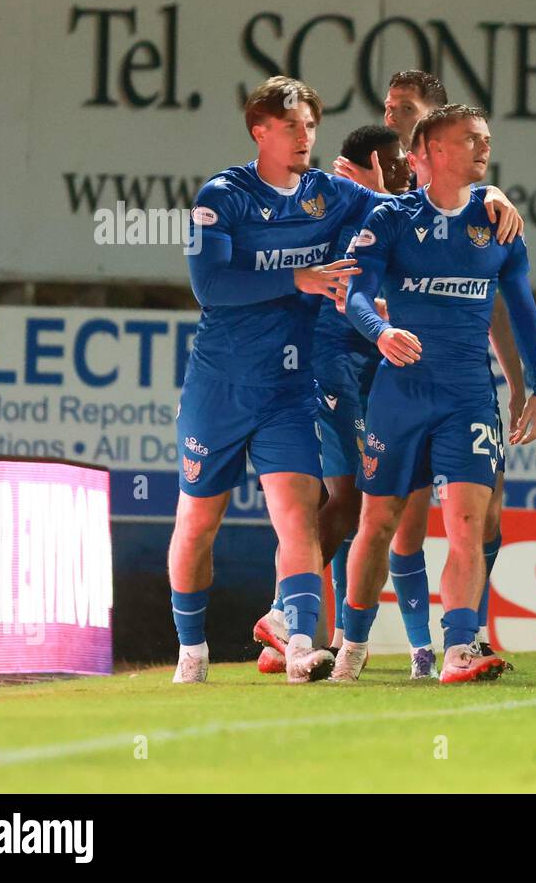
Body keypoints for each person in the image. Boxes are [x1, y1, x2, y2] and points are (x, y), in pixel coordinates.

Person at [335, 104, 536, 684]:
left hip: (467, 398)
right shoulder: (391, 219)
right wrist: (381, 332)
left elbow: (525, 315)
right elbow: (355, 296)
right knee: (378, 523)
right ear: (426, 153)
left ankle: (458, 647)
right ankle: (351, 643)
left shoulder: (498, 222)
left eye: (486, 139)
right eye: (468, 140)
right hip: (400, 394)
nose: (483, 148)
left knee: (466, 524)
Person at [170, 76, 370, 684]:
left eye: (311, 125)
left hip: (289, 389)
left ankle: (301, 643)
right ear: (260, 131)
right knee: (198, 522)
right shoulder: (223, 196)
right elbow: (212, 287)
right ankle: (192, 651)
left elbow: (404, 211)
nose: (304, 136)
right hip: (220, 387)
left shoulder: (331, 195)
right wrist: (300, 278)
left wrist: (483, 194)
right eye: (291, 126)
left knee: (298, 516)